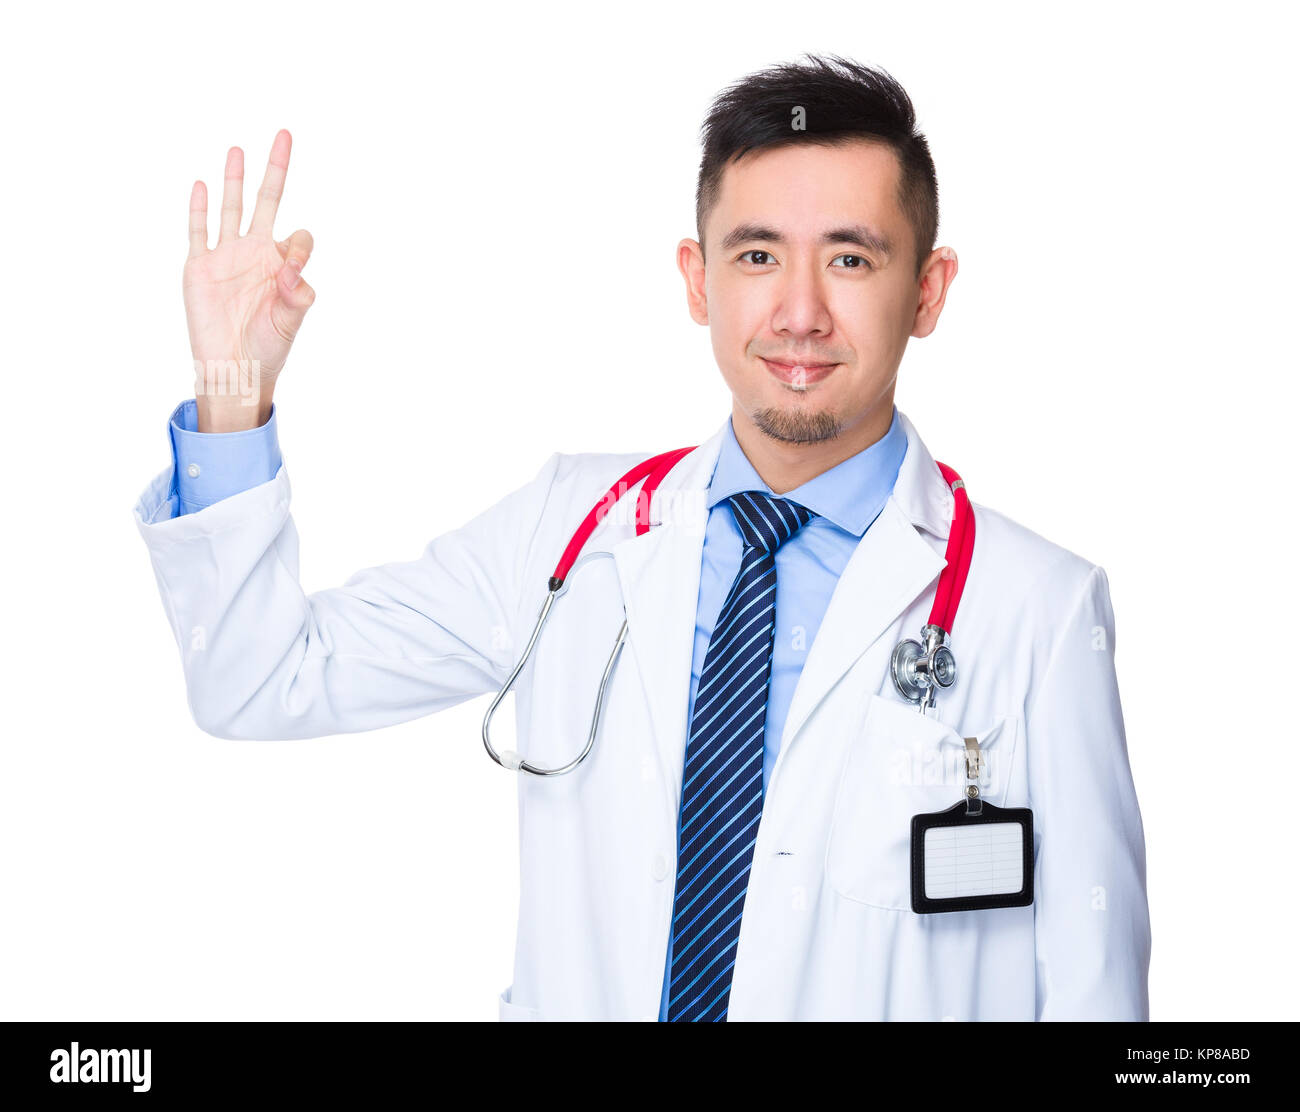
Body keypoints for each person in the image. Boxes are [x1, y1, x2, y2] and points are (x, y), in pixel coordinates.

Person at [134, 55, 1151, 1021]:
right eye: (757, 256)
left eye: (850, 257)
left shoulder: (1038, 610)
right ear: (697, 278)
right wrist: (234, 389)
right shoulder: (567, 532)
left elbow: (1094, 991)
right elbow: (255, 678)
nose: (799, 312)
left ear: (926, 290)